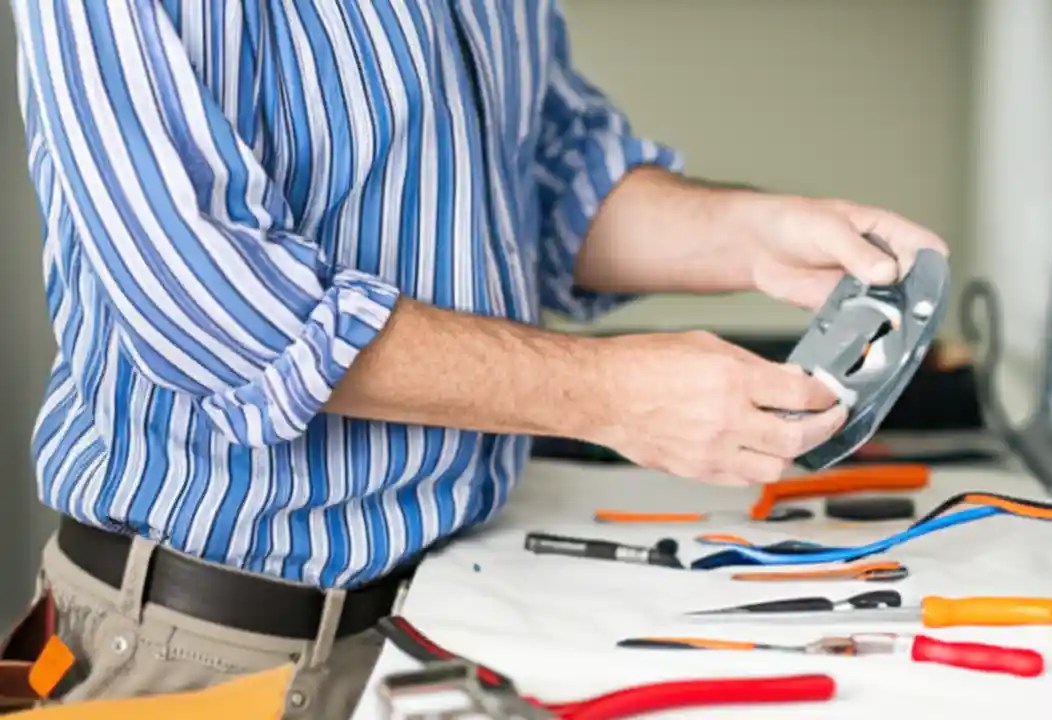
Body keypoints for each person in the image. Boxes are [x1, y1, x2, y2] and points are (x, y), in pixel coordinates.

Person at [7, 1, 946, 717]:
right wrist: (606, 393)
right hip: (201, 648)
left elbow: (547, 185)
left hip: (443, 616)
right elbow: (208, 300)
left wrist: (756, 234)